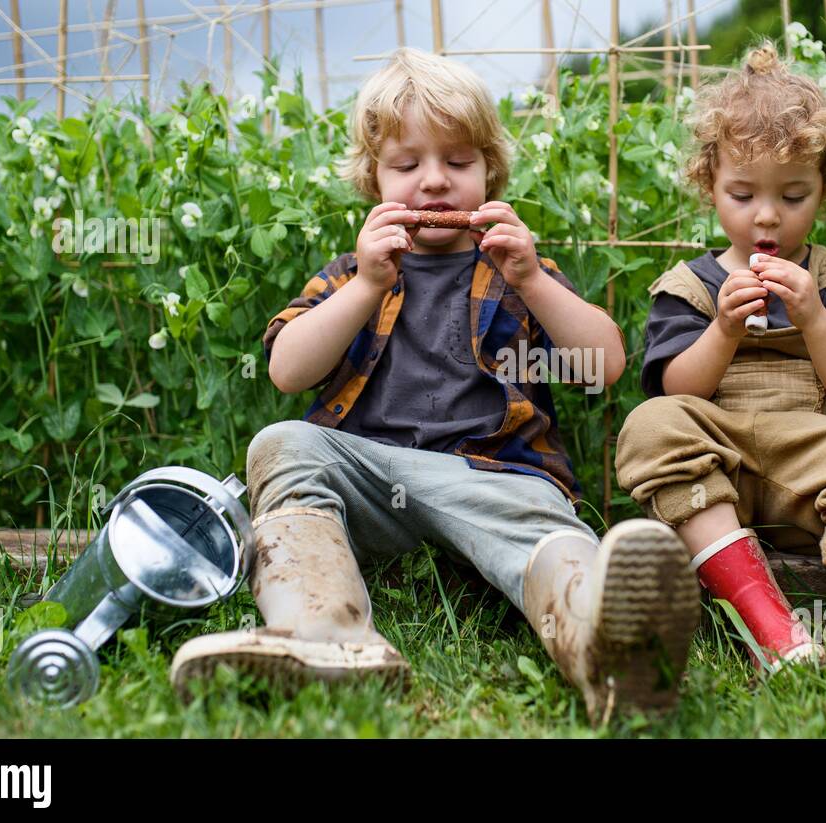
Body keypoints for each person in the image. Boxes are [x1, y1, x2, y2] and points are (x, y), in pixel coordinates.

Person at [170, 47, 701, 723]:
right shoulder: (350, 275)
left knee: (545, 534)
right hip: (375, 492)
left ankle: (604, 641)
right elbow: (288, 371)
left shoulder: (515, 271)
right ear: (373, 179)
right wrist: (366, 285)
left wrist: (533, 277)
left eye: (458, 162)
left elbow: (606, 366)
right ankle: (322, 632)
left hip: (496, 482)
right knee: (285, 444)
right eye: (408, 165)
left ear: (490, 172)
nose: (435, 182)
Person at [614, 40, 826, 698]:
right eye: (742, 193)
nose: (766, 215)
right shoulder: (689, 286)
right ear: (710, 185)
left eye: (792, 195)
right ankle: (772, 632)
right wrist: (724, 328)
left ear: (825, 189)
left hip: (809, 466)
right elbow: (679, 389)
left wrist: (813, 314)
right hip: (715, 468)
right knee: (650, 425)